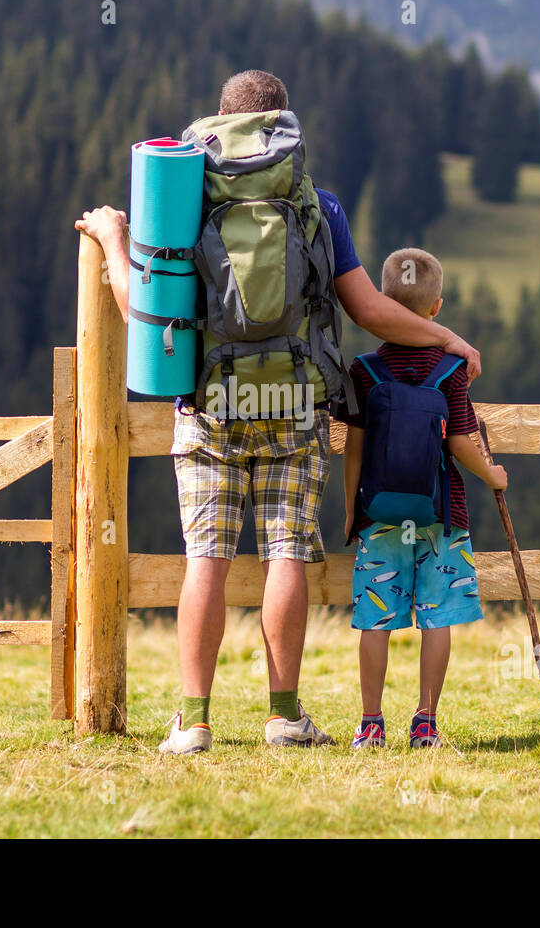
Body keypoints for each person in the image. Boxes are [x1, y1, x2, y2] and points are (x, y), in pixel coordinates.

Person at [75, 70, 482, 754]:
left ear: (221, 122)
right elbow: (370, 309)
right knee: (286, 553)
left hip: (210, 403)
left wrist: (114, 239)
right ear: (284, 128)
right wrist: (447, 336)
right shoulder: (316, 206)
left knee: (204, 556)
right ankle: (283, 717)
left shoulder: (189, 202)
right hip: (294, 402)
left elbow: (141, 312)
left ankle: (194, 721)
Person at [337, 247, 507, 749]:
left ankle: (371, 723)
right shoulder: (451, 370)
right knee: (438, 616)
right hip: (441, 515)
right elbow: (459, 442)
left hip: (381, 515)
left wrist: (353, 509)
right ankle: (426, 720)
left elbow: (354, 449)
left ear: (382, 303)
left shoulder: (364, 372)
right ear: (437, 310)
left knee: (376, 617)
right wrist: (492, 475)